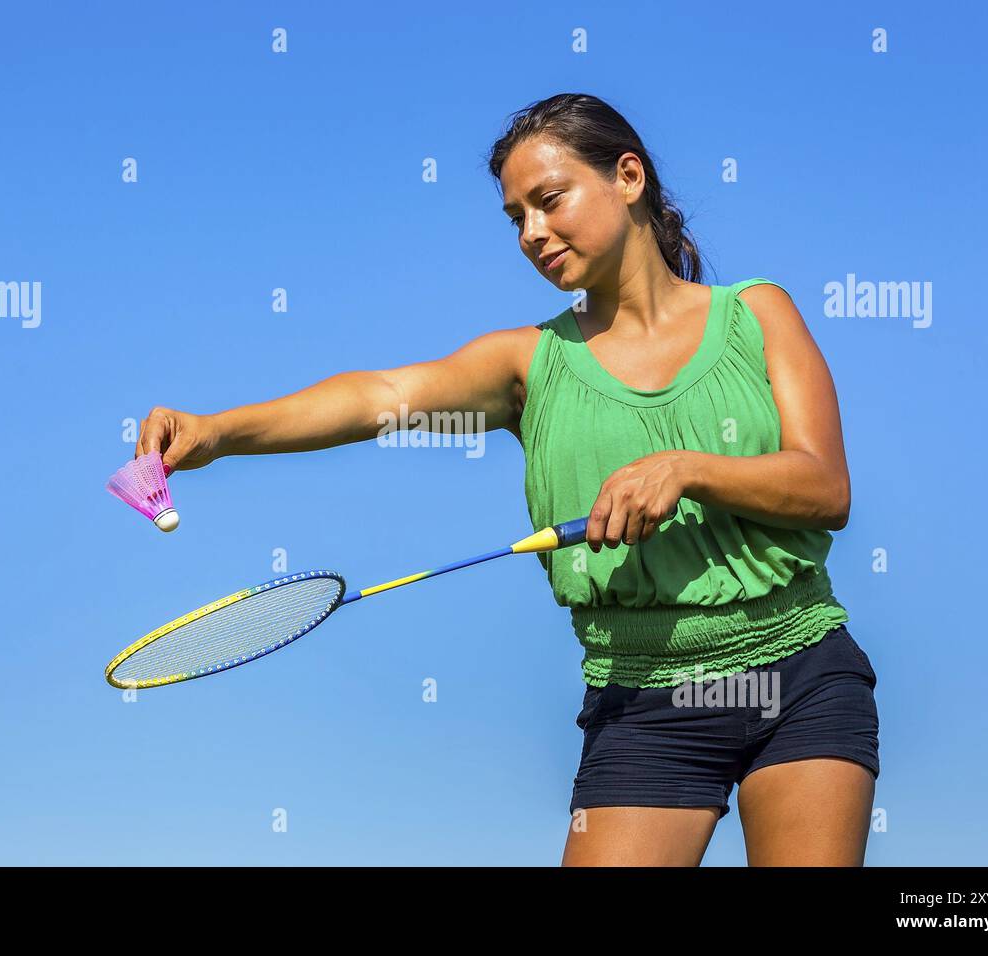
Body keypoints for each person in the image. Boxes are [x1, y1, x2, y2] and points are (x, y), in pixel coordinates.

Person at [135, 92, 879, 866]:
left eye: (549, 201)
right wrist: (217, 432)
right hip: (642, 700)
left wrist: (688, 470)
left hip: (800, 676)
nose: (531, 234)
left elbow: (824, 489)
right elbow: (378, 398)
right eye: (515, 217)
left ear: (629, 177)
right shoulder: (528, 363)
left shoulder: (758, 315)